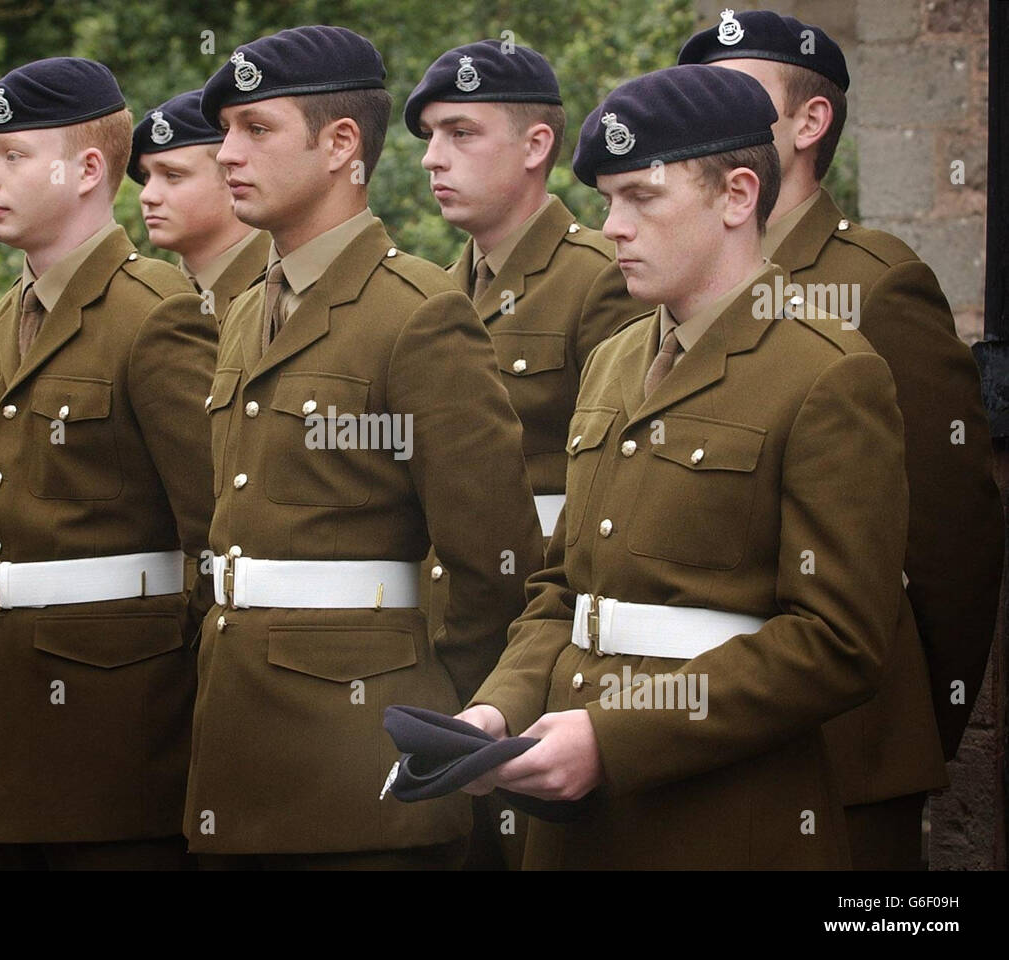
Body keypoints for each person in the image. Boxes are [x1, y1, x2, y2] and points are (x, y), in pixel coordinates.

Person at [459, 64, 911, 869]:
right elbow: (565, 592)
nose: (614, 227)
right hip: (572, 827)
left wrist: (615, 734)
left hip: (722, 819)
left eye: (642, 197)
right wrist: (497, 709)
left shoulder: (827, 372)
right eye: (606, 201)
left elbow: (836, 641)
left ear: (738, 196)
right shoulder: (613, 362)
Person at [187, 25, 543, 869]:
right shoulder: (245, 312)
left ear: (341, 143)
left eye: (256, 130)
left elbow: (493, 559)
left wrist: (427, 710)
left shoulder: (415, 312)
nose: (226, 153)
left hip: (367, 766)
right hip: (238, 754)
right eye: (226, 130)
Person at [679, 7, 1002, 870]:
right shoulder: (679, 277)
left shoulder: (878, 284)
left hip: (840, 754)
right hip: (689, 740)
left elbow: (952, 543)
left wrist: (904, 730)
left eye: (734, 98)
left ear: (810, 123)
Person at [0, 56, 216, 869]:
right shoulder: (5, 318)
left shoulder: (158, 313)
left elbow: (218, 537)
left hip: (122, 736)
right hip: (10, 723)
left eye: (11, 155)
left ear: (88, 169)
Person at [406, 40, 646, 868]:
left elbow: (624, 478)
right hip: (455, 633)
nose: (434, 158)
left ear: (537, 146)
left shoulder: (597, 278)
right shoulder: (437, 292)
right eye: (429, 136)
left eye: (462, 132)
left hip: (549, 628)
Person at [129, 89, 270, 324]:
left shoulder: (280, 283)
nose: (147, 195)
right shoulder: (147, 297)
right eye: (146, 177)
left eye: (173, 176)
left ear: (232, 179)